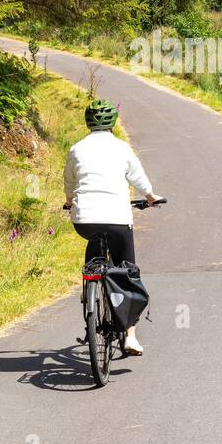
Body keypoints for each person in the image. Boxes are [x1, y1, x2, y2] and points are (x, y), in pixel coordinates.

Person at [63, 99, 163, 356]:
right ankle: (130, 335)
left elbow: (70, 182)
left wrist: (68, 201)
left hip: (85, 220)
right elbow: (137, 177)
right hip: (117, 219)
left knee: (95, 249)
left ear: (88, 122)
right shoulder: (121, 148)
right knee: (126, 270)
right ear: (112, 122)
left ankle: (91, 289)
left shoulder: (76, 149)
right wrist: (150, 196)